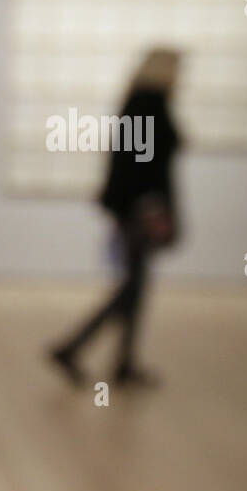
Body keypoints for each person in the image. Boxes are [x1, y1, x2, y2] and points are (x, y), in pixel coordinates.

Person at [49, 48, 182, 388]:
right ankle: (75, 348)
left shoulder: (139, 103)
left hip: (134, 210)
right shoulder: (150, 106)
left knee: (135, 289)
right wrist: (154, 209)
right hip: (141, 212)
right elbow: (142, 168)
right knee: (132, 289)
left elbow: (127, 163)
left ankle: (120, 363)